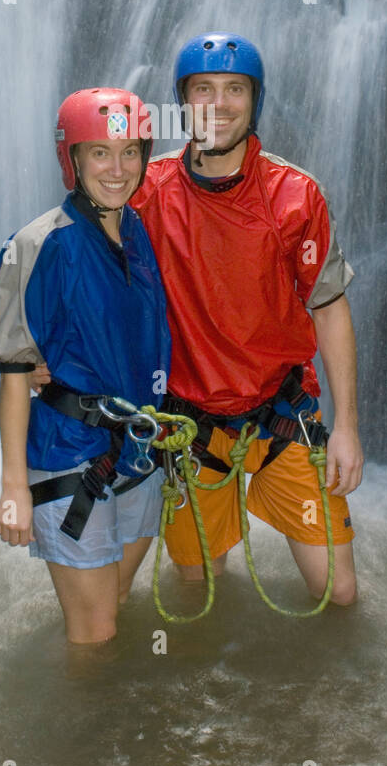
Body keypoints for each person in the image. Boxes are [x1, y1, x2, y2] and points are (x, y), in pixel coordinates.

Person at [128, 32, 362, 604]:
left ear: (255, 100)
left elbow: (329, 310)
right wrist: (38, 352)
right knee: (198, 588)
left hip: (283, 412)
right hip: (191, 421)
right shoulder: (146, 191)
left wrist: (348, 427)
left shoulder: (295, 195)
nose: (219, 103)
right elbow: (84, 270)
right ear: (182, 100)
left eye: (235, 89)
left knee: (340, 594)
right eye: (203, 89)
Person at [0, 88, 171, 645]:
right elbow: (16, 371)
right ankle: (86, 725)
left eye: (130, 151)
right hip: (69, 455)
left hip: (140, 453)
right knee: (95, 631)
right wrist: (13, 485)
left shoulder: (138, 231)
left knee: (111, 602)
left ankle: (110, 719)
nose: (118, 168)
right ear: (73, 159)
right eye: (99, 153)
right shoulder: (38, 245)